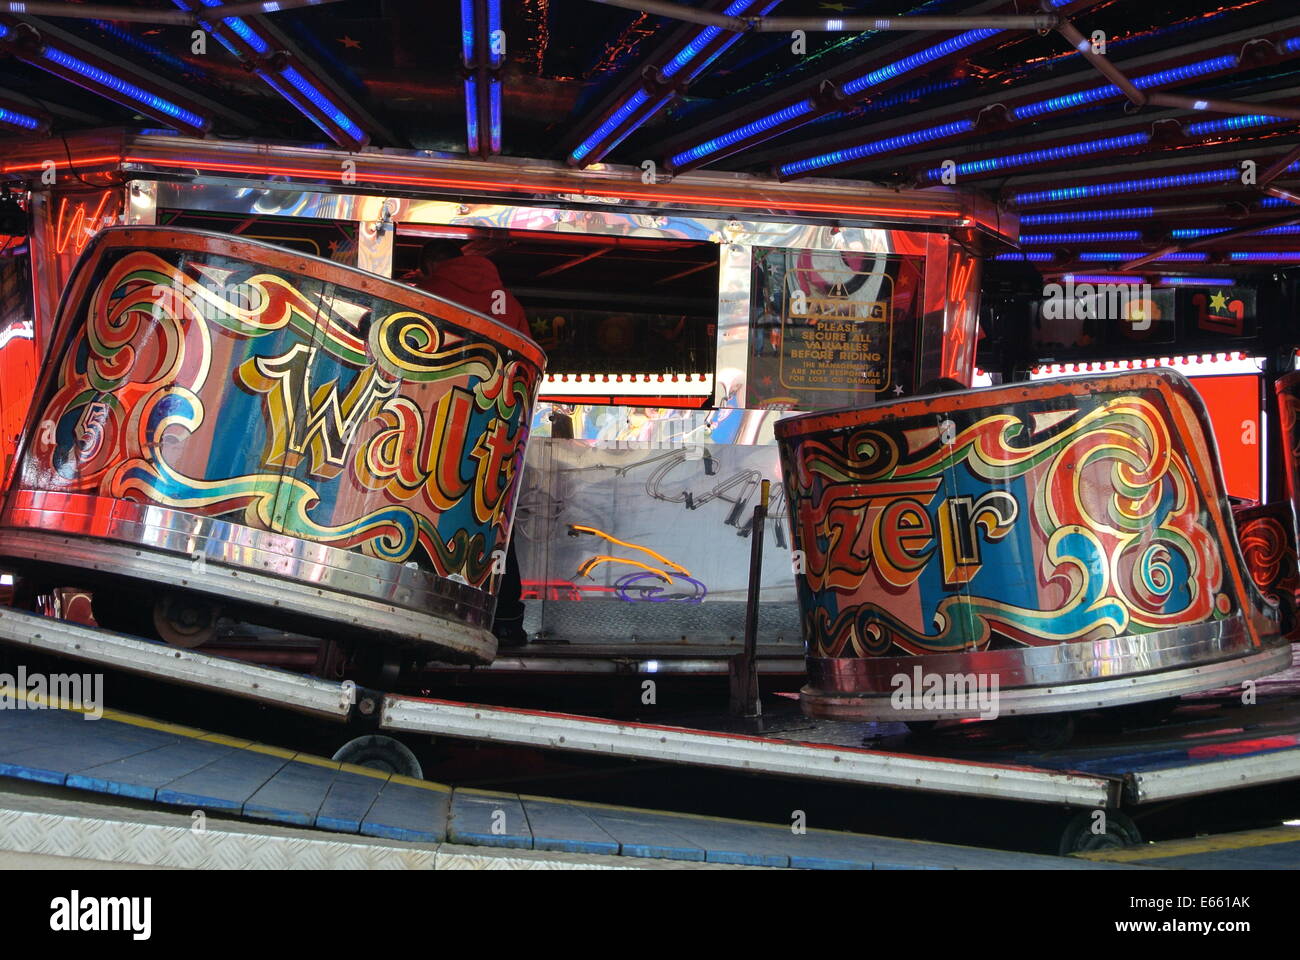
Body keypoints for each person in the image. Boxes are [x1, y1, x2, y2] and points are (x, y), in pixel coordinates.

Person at [412, 238, 532, 648]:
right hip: (495, 428)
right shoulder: (509, 302)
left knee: (425, 515)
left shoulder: (427, 294)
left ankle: (425, 610)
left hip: (437, 426)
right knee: (493, 521)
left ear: (430, 264)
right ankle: (508, 621)